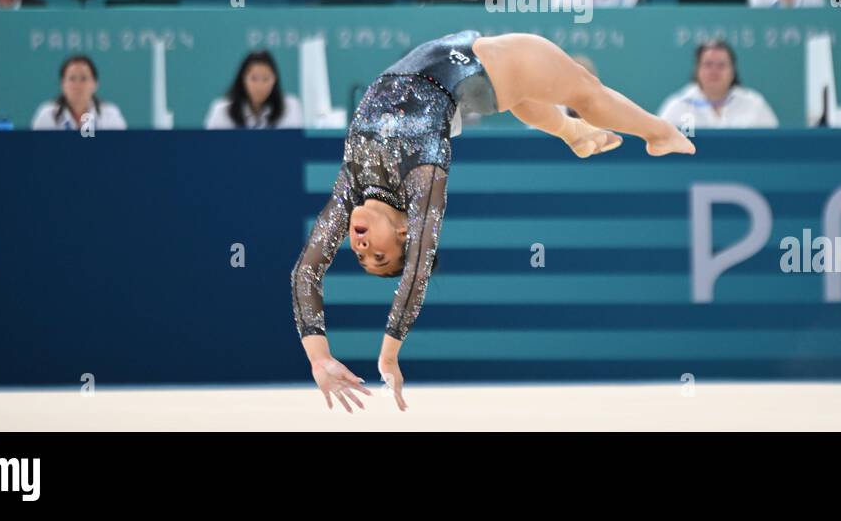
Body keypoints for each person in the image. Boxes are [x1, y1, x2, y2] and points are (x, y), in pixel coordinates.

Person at [290, 29, 694, 412]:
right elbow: (417, 270)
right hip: (489, 65)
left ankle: (574, 133)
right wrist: (389, 354)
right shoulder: (422, 177)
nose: (360, 249)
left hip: (479, 71)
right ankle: (658, 132)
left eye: (360, 256)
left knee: (541, 97)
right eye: (378, 256)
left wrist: (319, 358)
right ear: (404, 231)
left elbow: (306, 271)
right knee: (586, 92)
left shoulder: (351, 186)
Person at [657, 39, 777, 128]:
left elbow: (774, 146)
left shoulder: (754, 104)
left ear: (733, 71)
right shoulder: (677, 106)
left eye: (721, 65)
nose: (714, 71)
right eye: (708, 64)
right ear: (697, 70)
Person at [204, 51, 304, 129]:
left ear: (274, 80)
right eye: (254, 79)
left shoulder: (290, 107)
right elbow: (208, 149)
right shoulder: (222, 111)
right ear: (242, 79)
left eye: (266, 79)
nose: (259, 85)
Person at [31, 54, 127, 130]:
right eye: (72, 79)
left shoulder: (110, 115)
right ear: (62, 84)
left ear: (95, 84)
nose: (78, 85)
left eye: (83, 78)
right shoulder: (47, 116)